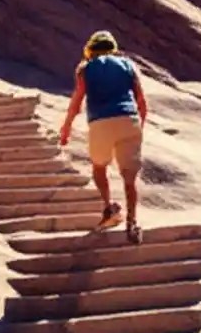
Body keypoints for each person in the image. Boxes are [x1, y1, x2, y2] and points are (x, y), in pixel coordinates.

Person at [58, 30, 149, 244]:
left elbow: (77, 101)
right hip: (129, 118)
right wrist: (139, 127)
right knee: (129, 177)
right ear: (113, 49)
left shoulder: (84, 68)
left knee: (99, 167)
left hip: (100, 122)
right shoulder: (128, 65)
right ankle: (132, 221)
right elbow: (141, 100)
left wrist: (66, 128)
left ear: (90, 50)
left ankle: (109, 208)